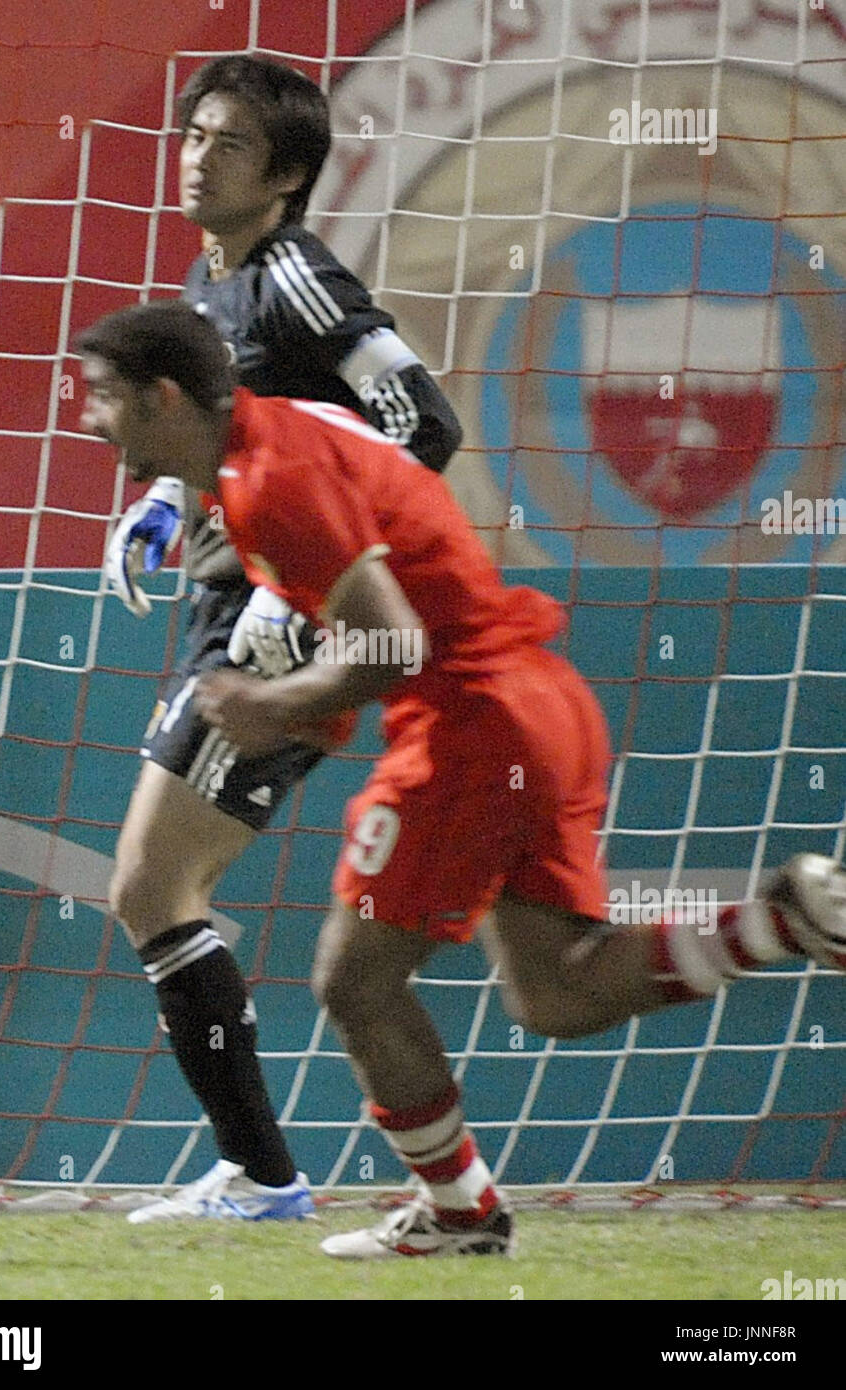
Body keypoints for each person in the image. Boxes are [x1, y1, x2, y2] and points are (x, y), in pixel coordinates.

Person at [78, 300, 846, 1257]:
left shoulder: (269, 480)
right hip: (541, 702)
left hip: (472, 723)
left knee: (354, 984)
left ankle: (460, 1212)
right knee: (554, 997)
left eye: (102, 396)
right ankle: (779, 918)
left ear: (161, 398)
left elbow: (392, 642)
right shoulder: (281, 432)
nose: (87, 418)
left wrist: (276, 702)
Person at [100, 56, 461, 1223]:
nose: (198, 156)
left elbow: (422, 419)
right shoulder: (210, 287)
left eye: (231, 144)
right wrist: (160, 503)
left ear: (289, 175)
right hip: (232, 606)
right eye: (193, 133)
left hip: (288, 628)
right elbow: (226, 434)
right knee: (155, 887)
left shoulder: (295, 276)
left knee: (154, 882)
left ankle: (265, 1182)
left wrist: (310, 585)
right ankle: (261, 1177)